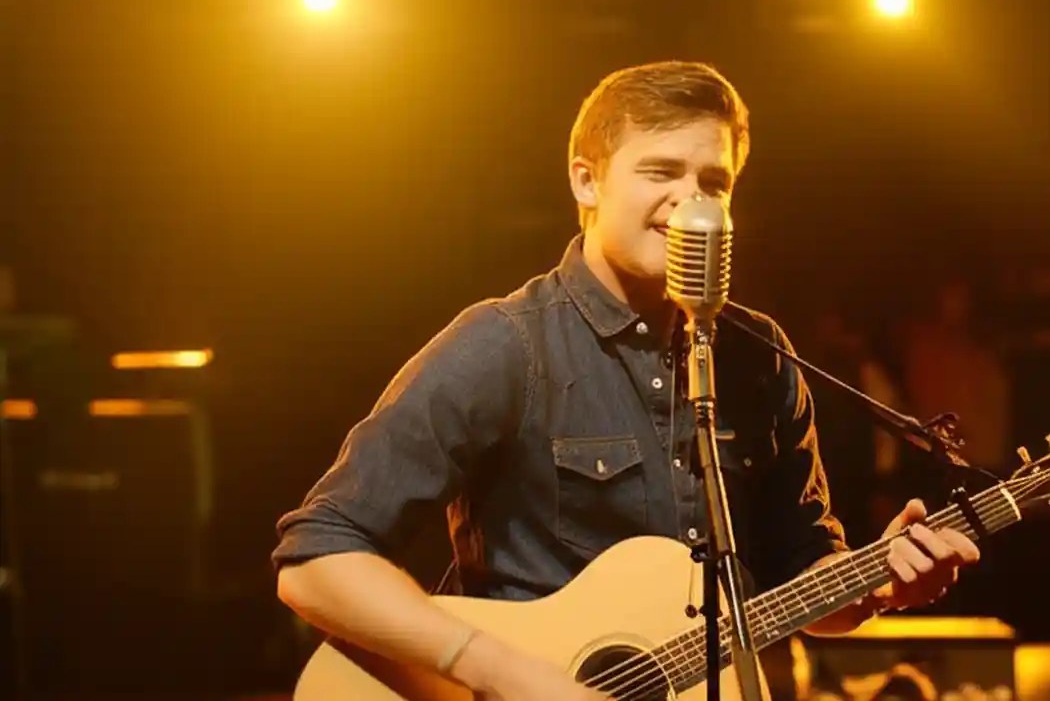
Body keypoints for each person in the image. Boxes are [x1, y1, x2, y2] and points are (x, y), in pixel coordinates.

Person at [272, 60, 980, 701]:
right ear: (586, 179)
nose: (690, 202)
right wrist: (504, 673)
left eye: (714, 183)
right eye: (660, 171)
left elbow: (804, 587)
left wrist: (878, 584)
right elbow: (314, 559)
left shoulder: (760, 355)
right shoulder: (507, 343)